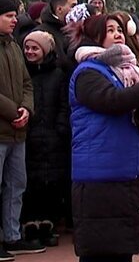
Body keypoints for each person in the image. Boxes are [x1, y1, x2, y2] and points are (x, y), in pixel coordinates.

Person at [67, 13, 139, 262]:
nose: (118, 34)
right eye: (110, 30)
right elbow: (114, 101)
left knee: (123, 250)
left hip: (128, 169)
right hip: (99, 174)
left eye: (119, 29)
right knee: (99, 252)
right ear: (95, 36)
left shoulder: (125, 72)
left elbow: (130, 110)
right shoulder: (87, 72)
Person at [0, 0, 46, 259]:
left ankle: (12, 236)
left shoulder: (14, 47)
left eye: (14, 15)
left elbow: (27, 83)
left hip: (18, 133)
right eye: (8, 16)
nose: (14, 20)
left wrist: (26, 109)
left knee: (16, 186)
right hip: (3, 129)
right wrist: (13, 111)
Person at [20, 30, 69, 248]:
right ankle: (31, 224)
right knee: (30, 182)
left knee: (52, 182)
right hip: (29, 135)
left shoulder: (58, 74)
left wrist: (60, 128)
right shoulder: (23, 73)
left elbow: (64, 104)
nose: (30, 52)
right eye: (27, 48)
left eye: (35, 48)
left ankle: (48, 224)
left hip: (53, 136)